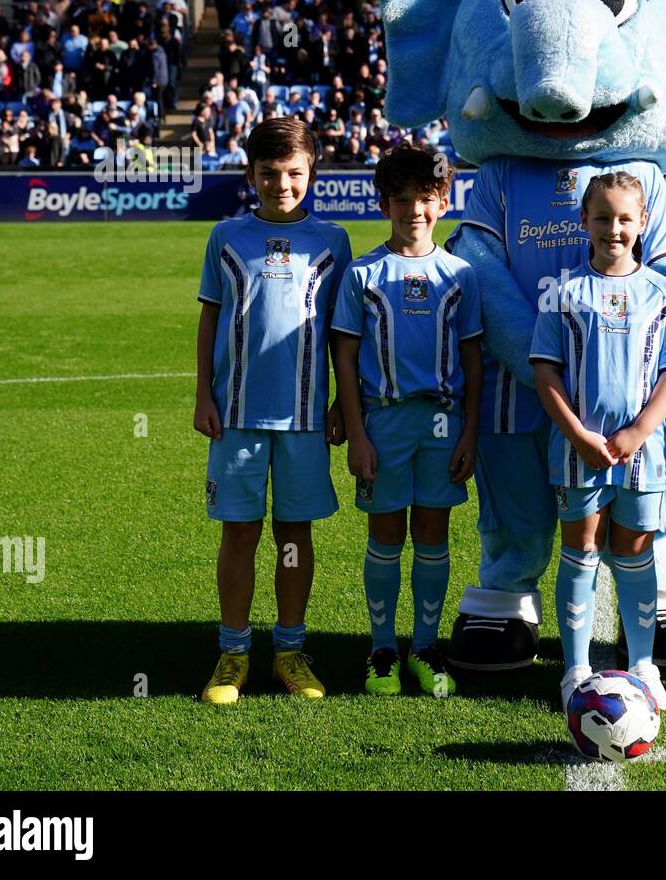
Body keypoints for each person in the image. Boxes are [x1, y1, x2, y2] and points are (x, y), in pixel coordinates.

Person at [194, 117, 353, 704]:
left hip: (306, 420)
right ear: (250, 174)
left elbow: (342, 332)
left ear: (311, 173)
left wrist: (342, 400)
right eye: (268, 174)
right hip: (235, 414)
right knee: (239, 534)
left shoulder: (333, 241)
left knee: (292, 536)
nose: (281, 184)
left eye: (293, 173)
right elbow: (210, 316)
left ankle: (289, 650)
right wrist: (201, 393)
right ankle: (233, 653)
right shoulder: (225, 237)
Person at [530, 172, 666, 712]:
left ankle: (644, 665)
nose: (614, 229)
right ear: (584, 221)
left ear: (643, 222)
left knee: (635, 554)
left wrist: (639, 430)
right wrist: (577, 434)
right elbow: (546, 373)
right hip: (580, 453)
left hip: (644, 454)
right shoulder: (563, 291)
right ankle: (575, 668)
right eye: (602, 217)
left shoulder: (662, 291)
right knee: (579, 551)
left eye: (625, 218)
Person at [331, 145, 483, 697]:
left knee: (433, 532)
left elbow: (472, 357)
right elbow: (344, 357)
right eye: (401, 200)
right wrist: (355, 431)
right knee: (386, 531)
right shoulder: (362, 274)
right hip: (384, 422)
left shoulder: (460, 274)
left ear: (443, 202)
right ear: (383, 204)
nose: (413, 210)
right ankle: (381, 650)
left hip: (443, 423)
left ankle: (424, 646)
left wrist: (470, 429)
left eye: (424, 199)